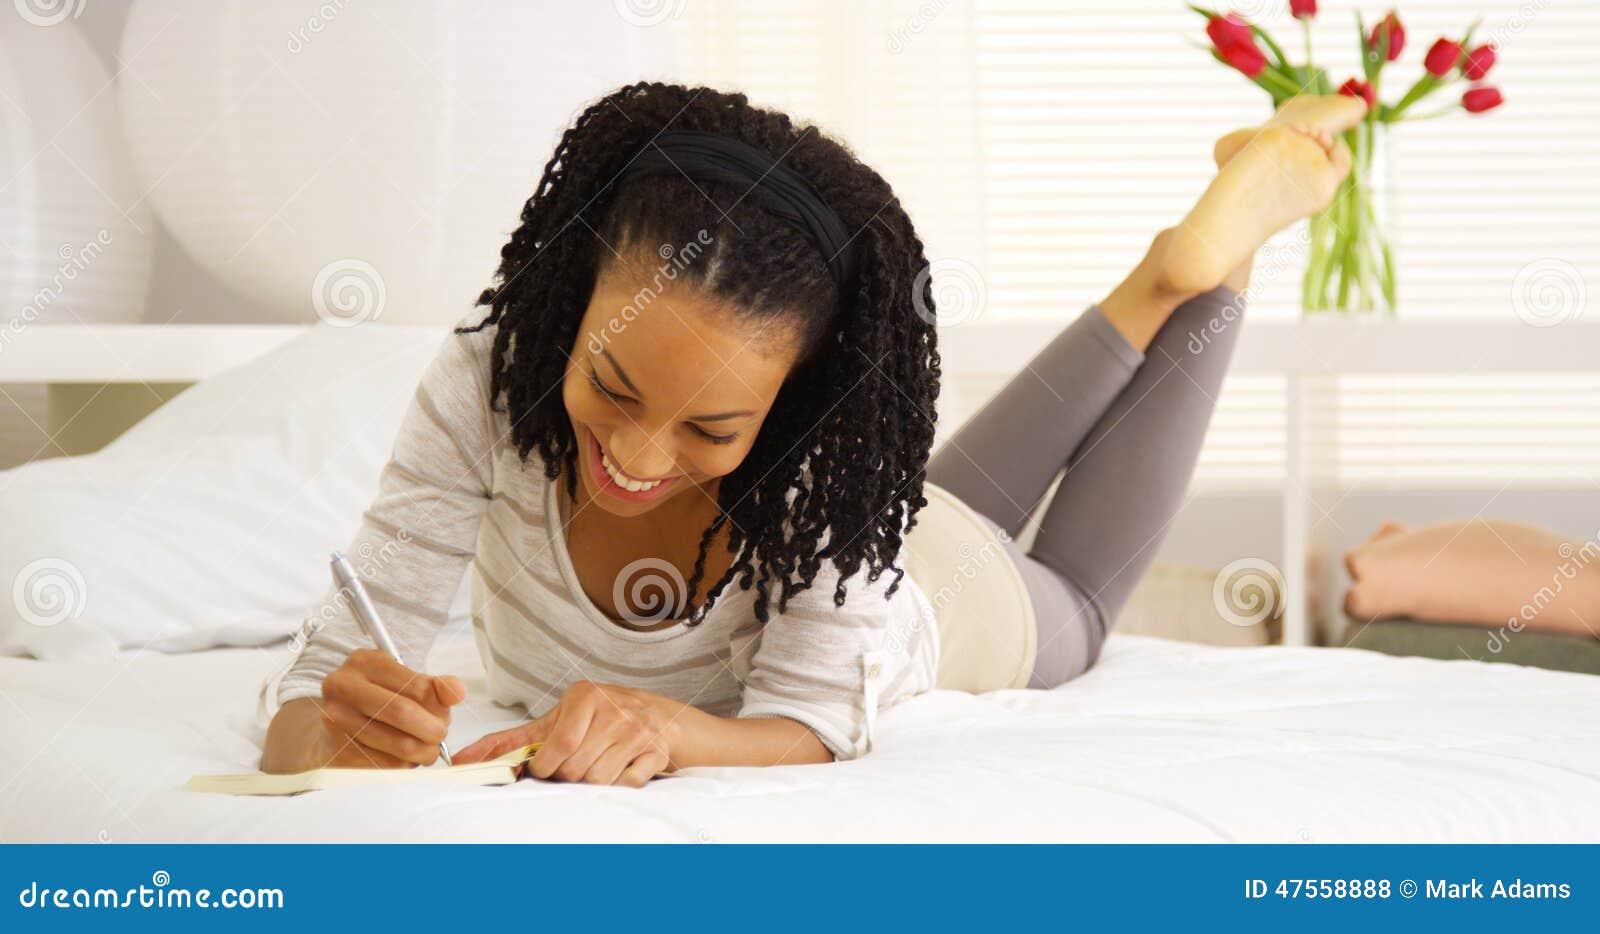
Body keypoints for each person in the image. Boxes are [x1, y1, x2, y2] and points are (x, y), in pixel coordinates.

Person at [260, 82, 1367, 786]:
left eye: (710, 424)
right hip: (876, 528)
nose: (638, 459)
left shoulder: (821, 459)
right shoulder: (487, 380)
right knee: (951, 504)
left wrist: (672, 727)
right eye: (612, 383)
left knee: (1073, 604)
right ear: (569, 292)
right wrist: (329, 731)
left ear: (796, 396)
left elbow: (809, 719)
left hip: (934, 598)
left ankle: (1219, 264)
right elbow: (317, 686)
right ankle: (1160, 275)